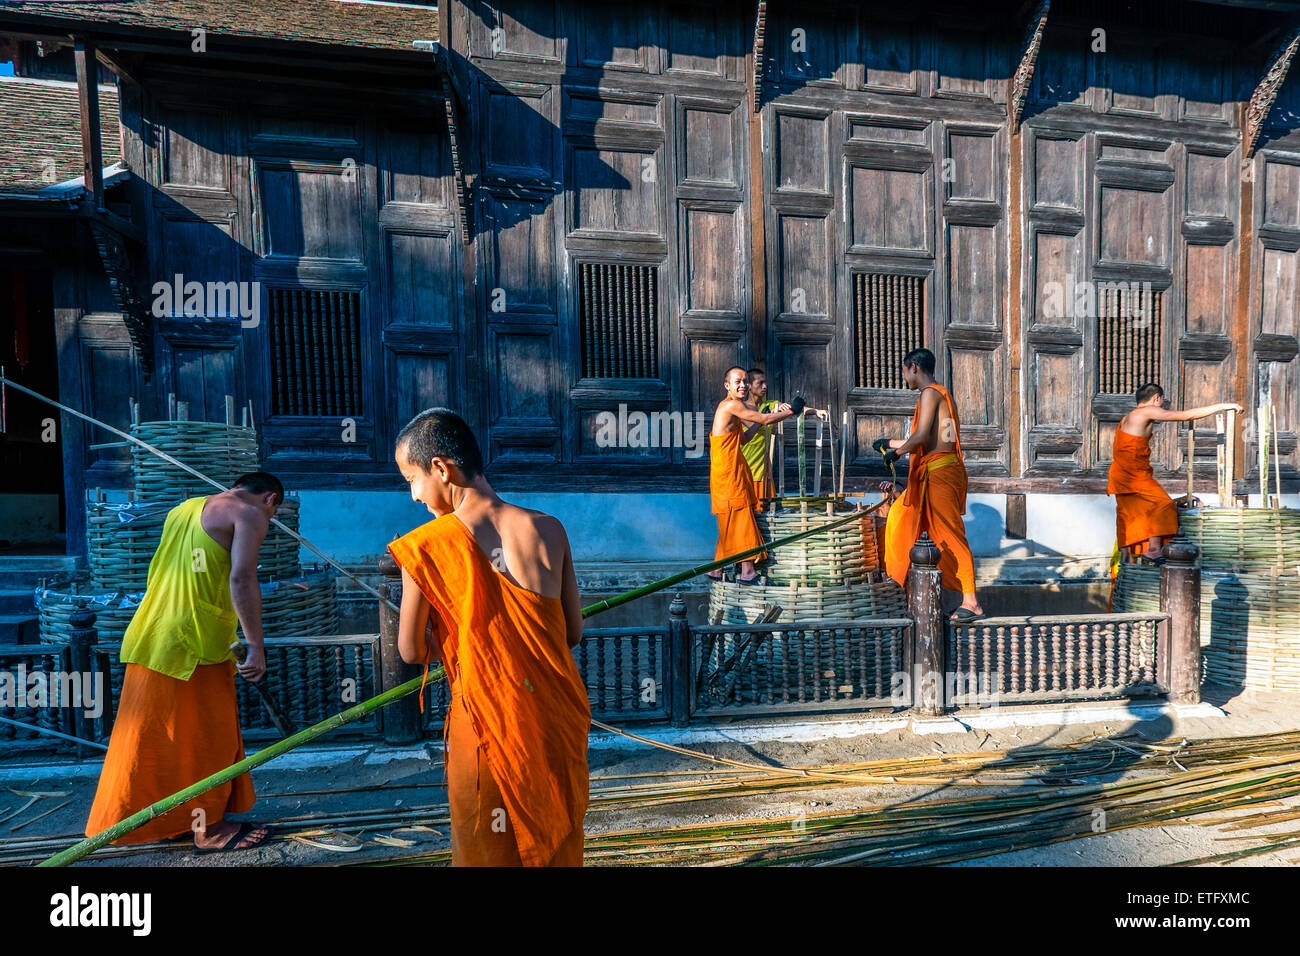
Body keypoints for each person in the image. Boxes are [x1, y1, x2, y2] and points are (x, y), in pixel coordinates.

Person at [387, 408, 589, 866]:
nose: (414, 496)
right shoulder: (549, 529)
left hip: (486, 729)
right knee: (557, 839)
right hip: (556, 720)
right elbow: (572, 632)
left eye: (411, 479)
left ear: (441, 468)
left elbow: (411, 650)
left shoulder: (427, 546)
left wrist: (472, 637)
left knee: (487, 850)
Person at [85, 473, 282, 852]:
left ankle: (178, 820)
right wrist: (255, 645)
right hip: (193, 642)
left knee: (156, 738)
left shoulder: (184, 509)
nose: (269, 523)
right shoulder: (249, 513)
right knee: (207, 737)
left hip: (152, 632)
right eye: (274, 514)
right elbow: (241, 580)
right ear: (269, 499)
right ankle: (208, 830)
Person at [875, 348, 983, 622]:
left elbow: (921, 436)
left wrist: (895, 453)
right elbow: (934, 440)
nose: (904, 377)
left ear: (913, 367)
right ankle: (910, 591)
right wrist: (889, 444)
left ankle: (971, 601)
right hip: (940, 468)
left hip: (939, 473)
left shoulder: (930, 393)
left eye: (903, 371)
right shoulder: (942, 394)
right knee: (906, 519)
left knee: (949, 534)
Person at [1109, 384, 1242, 568]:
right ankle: (1153, 549)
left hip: (1121, 474)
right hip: (1133, 474)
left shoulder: (1127, 417)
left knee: (1130, 514)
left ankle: (1127, 559)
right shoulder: (1146, 412)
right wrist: (1222, 406)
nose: (1163, 405)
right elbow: (1186, 415)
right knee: (1162, 504)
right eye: (1162, 401)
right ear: (1156, 398)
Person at [708, 367, 801, 584]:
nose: (743, 385)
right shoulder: (731, 405)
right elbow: (764, 418)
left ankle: (717, 569)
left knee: (731, 520)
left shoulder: (734, 407)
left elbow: (741, 440)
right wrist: (791, 412)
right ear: (727, 386)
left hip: (730, 470)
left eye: (745, 381)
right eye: (737, 382)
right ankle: (748, 571)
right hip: (728, 474)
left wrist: (759, 427)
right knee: (741, 518)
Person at [742, 368, 829, 500]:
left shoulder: (771, 405)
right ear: (748, 386)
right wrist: (769, 414)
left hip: (763, 469)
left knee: (765, 510)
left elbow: (793, 409)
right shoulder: (741, 407)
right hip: (746, 465)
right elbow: (752, 424)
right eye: (760, 383)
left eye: (765, 382)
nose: (765, 386)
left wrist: (815, 411)